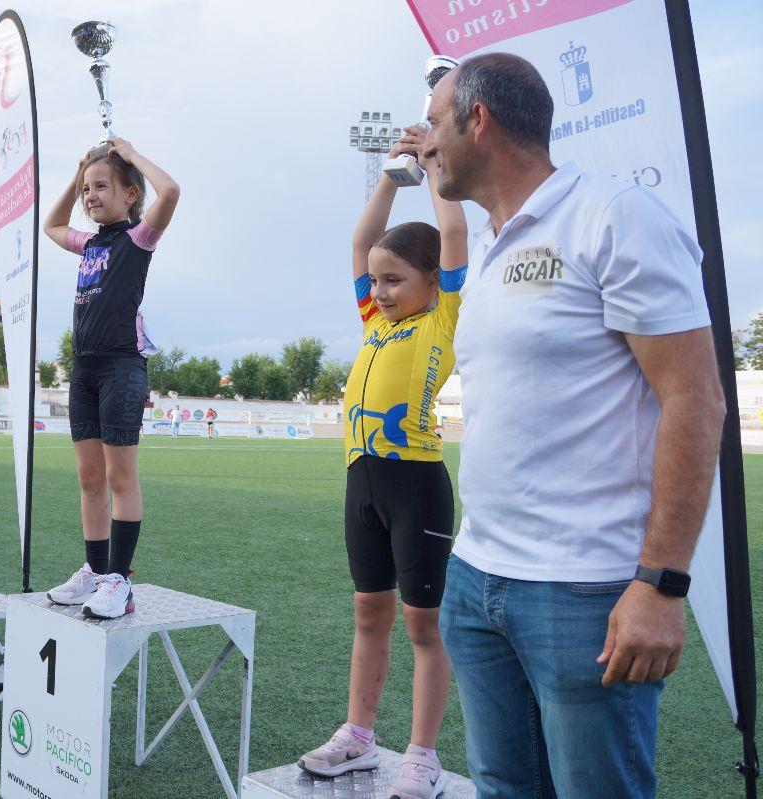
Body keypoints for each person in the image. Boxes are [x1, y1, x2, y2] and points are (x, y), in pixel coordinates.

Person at [419, 54, 723, 797]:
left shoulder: (613, 215)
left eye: (434, 123)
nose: (425, 142)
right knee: (504, 788)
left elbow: (696, 399)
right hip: (477, 580)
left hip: (585, 592)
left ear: (478, 120)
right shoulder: (492, 243)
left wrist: (661, 583)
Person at [298, 125, 467, 799]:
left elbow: (453, 234)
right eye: (376, 280)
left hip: (416, 485)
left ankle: (421, 755)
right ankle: (359, 737)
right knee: (369, 611)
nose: (383, 289)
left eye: (395, 279)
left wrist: (431, 164)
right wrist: (389, 176)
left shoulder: (441, 319)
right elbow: (360, 242)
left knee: (423, 623)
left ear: (433, 281)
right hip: (360, 481)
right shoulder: (376, 321)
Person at [42, 138, 180, 619]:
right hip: (85, 369)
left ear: (130, 195)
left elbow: (171, 190)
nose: (90, 195)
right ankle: (95, 572)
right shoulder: (89, 243)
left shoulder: (137, 238)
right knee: (89, 478)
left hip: (122, 367)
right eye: (86, 190)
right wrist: (78, 168)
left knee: (121, 477)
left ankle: (120, 581)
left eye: (101, 186)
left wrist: (132, 154)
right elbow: (52, 226)